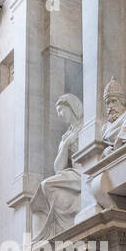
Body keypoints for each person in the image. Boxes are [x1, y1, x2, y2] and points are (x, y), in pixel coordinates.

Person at [32, 94, 83, 241]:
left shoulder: (88, 123)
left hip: (86, 170)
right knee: (44, 188)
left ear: (71, 106)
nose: (60, 115)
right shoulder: (66, 135)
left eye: (61, 110)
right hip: (74, 172)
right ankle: (44, 235)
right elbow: (58, 168)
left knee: (46, 185)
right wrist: (66, 144)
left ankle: (56, 230)